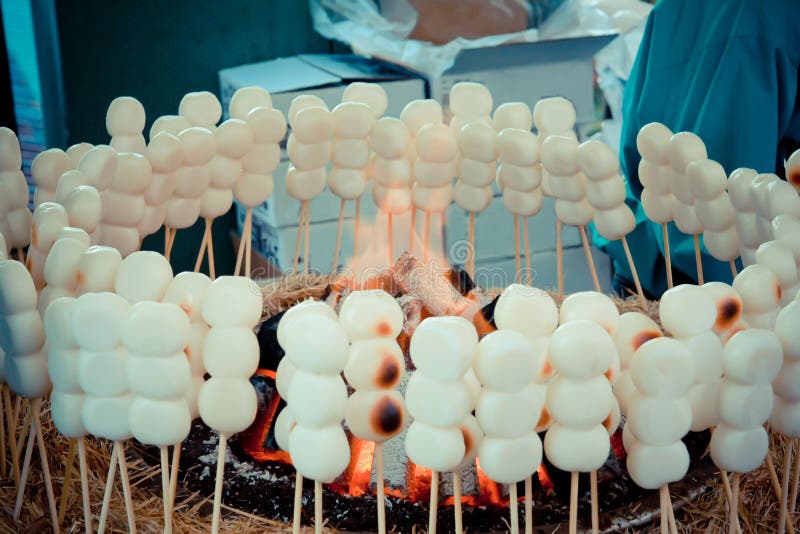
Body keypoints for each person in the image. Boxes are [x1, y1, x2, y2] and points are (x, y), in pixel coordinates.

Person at [592, 0, 800, 298]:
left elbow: (636, 148)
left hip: (646, 269)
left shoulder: (668, 9)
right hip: (742, 296)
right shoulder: (781, 15)